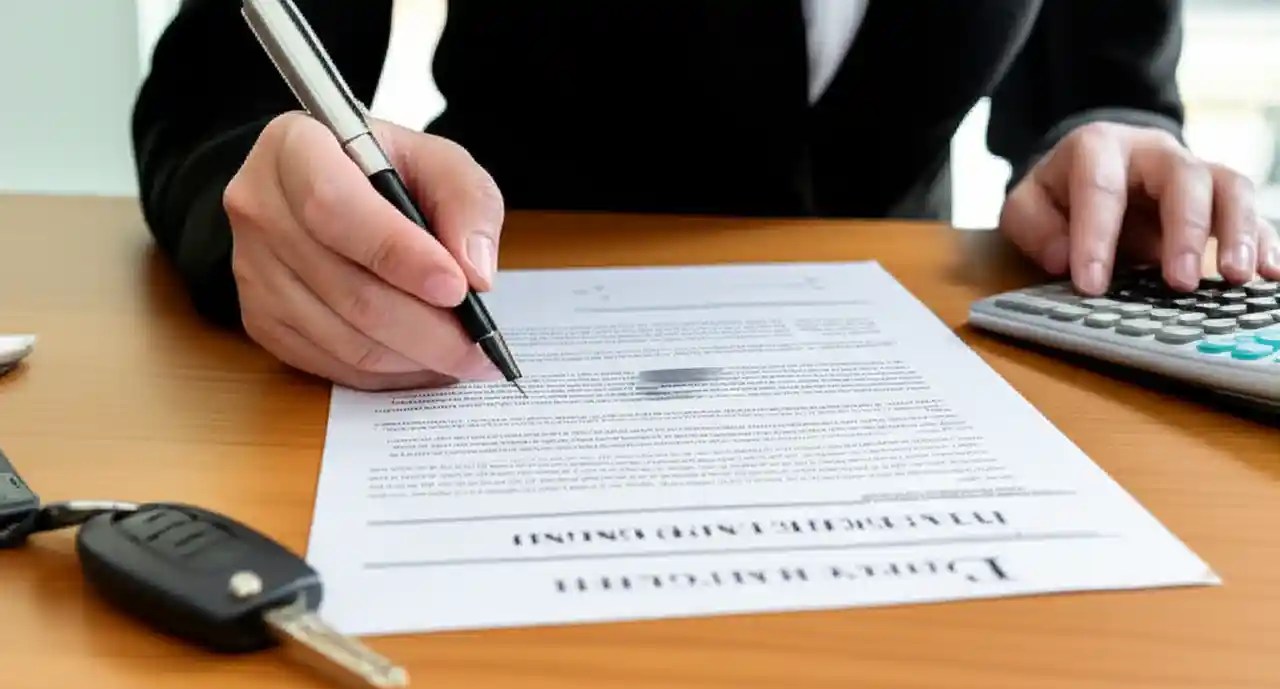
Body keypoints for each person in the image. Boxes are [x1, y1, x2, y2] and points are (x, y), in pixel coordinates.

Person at [131, 1, 1280, 391]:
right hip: (474, 301)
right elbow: (222, 105)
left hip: (915, 344)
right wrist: (266, 202)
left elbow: (1103, 87)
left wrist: (1109, 145)